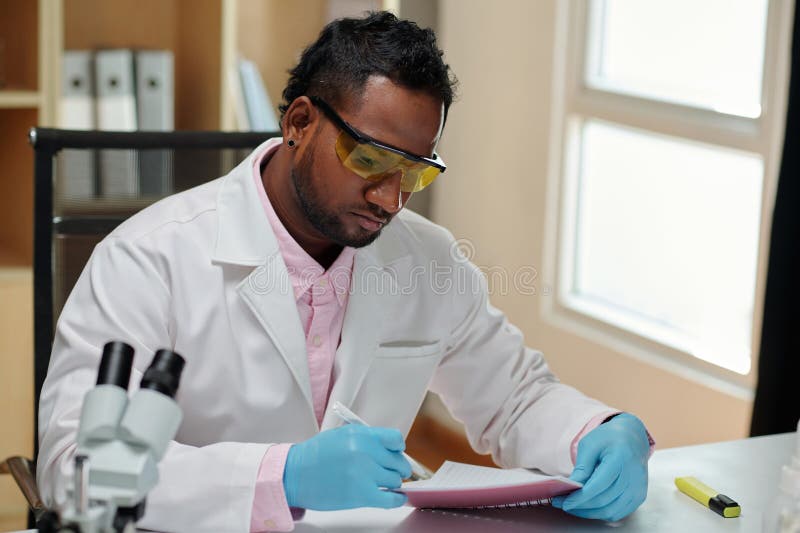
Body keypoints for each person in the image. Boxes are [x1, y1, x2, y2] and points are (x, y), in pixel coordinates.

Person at [37, 11, 652, 533]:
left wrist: (598, 429)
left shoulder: (426, 260)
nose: (390, 198)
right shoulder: (146, 259)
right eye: (370, 159)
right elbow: (74, 467)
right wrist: (284, 476)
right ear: (300, 122)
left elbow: (515, 398)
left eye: (414, 170)